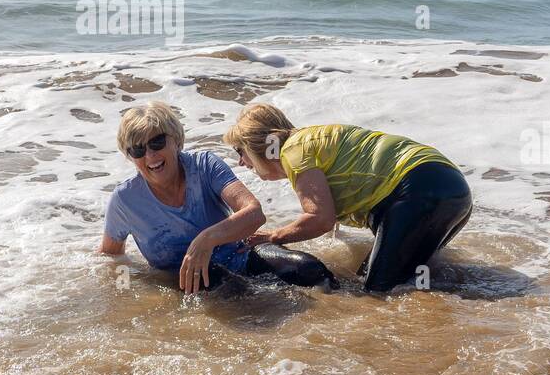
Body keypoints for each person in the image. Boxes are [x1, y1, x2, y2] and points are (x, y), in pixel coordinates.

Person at [222, 103, 471, 292]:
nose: (241, 162)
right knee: (405, 276)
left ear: (262, 144)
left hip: (417, 189)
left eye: (239, 151)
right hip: (450, 186)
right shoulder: (313, 138)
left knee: (377, 292)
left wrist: (273, 236)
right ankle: (454, 297)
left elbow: (320, 219)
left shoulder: (293, 152)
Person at [98, 102, 335, 292]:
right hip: (188, 280)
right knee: (229, 286)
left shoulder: (204, 165)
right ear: (129, 156)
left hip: (240, 256)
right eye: (137, 150)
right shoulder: (125, 200)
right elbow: (111, 256)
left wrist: (205, 240)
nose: (150, 155)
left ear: (176, 141)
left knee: (310, 270)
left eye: (157, 142)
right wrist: (128, 293)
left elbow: (254, 214)